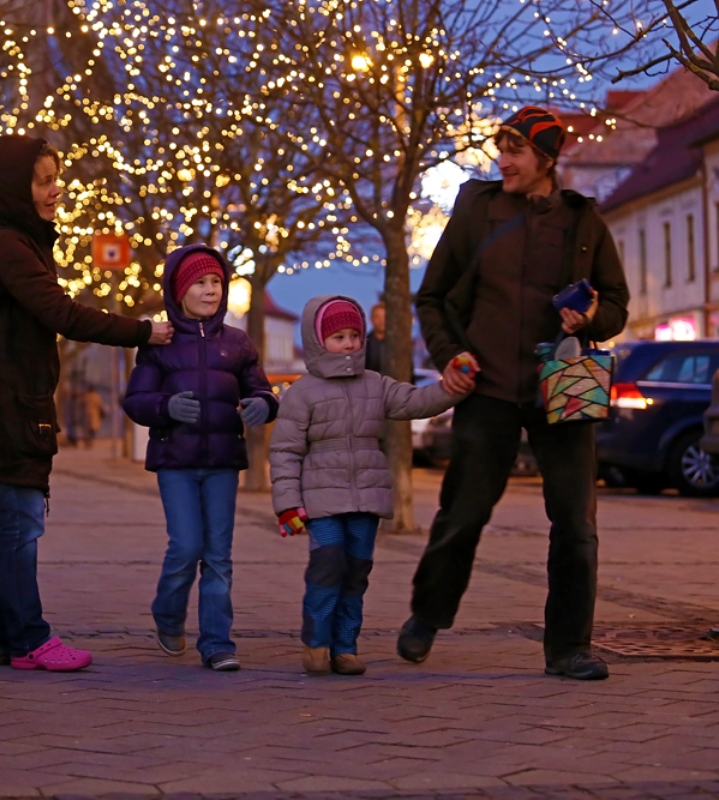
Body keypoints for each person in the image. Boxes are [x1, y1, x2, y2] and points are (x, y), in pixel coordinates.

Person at [398, 106, 630, 681]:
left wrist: (594, 316)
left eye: (516, 149)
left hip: (563, 392)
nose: (503, 159)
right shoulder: (477, 210)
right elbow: (431, 297)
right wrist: (450, 354)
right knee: (464, 513)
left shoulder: (583, 224)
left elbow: (617, 307)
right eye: (501, 147)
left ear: (546, 160)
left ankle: (569, 648)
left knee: (576, 523)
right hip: (490, 386)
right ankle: (428, 614)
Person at [0, 134, 173, 672]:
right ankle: (28, 638)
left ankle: (4, 638)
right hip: (4, 408)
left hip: (4, 403)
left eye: (54, 179)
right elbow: (62, 314)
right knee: (21, 522)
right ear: (12, 187)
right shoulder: (7, 246)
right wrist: (144, 332)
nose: (55, 190)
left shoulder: (16, 242)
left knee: (10, 522)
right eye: (43, 180)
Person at [269, 297, 465, 676]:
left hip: (366, 497)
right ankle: (316, 641)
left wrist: (452, 386)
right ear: (317, 340)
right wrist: (288, 505)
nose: (348, 344)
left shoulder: (375, 384)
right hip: (322, 500)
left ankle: (345, 646)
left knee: (356, 573)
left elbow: (417, 400)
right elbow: (285, 452)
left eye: (354, 336)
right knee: (327, 567)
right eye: (338, 336)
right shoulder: (302, 393)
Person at [122, 245, 277, 671]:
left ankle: (217, 643)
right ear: (178, 289)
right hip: (176, 461)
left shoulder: (238, 343)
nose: (210, 291)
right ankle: (168, 615)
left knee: (219, 554)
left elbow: (258, 388)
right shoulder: (161, 343)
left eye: (216, 282)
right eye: (200, 283)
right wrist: (166, 406)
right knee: (187, 546)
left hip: (224, 461)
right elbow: (136, 399)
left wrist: (266, 403)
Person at [365, 302, 387, 373]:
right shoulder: (364, 343)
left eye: (384, 317)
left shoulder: (398, 344)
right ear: (371, 319)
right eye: (378, 317)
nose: (381, 321)